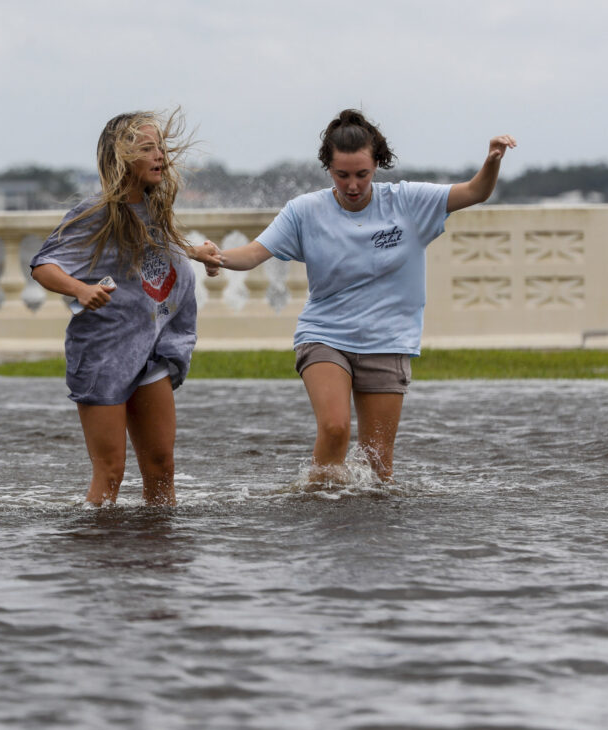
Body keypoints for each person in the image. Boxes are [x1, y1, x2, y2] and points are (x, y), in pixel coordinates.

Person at [203, 109, 515, 484]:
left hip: (387, 340)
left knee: (378, 464)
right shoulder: (305, 211)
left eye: (362, 175)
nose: (352, 185)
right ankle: (314, 508)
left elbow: (476, 191)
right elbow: (253, 253)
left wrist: (492, 161)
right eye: (342, 175)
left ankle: (367, 536)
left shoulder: (408, 202)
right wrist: (217, 256)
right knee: (334, 429)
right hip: (325, 335)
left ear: (378, 165)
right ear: (328, 169)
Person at [30, 109, 221, 506]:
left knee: (161, 466)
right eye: (147, 149)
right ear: (121, 158)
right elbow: (43, 265)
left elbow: (156, 248)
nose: (160, 157)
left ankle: (159, 556)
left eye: (161, 148)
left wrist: (195, 252)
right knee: (111, 472)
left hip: (150, 352)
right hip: (103, 356)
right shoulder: (95, 213)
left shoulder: (153, 209)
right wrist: (79, 290)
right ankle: (99, 555)